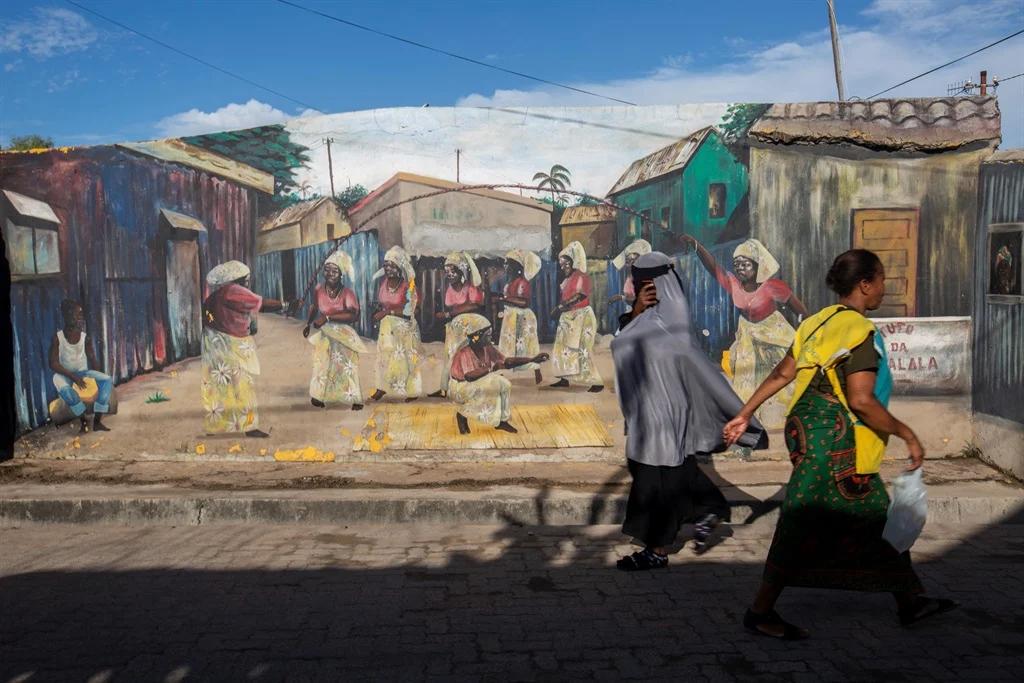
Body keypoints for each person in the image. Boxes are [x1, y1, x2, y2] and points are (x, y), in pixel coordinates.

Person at [723, 249, 956, 640]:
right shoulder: (859, 330)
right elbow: (861, 400)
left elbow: (783, 373)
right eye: (880, 279)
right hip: (834, 440)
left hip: (807, 430)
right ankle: (760, 611)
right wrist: (908, 434)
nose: (884, 287)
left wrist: (745, 412)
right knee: (800, 517)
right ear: (865, 284)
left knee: (878, 516)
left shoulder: (817, 321)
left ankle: (910, 601)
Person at [611, 252, 767, 569]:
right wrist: (637, 310)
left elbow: (623, 344)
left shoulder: (658, 326)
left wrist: (636, 312)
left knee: (655, 480)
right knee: (675, 470)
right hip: (656, 412)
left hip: (658, 415)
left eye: (641, 282)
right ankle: (708, 508)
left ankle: (657, 550)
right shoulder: (667, 321)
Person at [686, 237, 808, 430]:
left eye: (745, 264)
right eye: (737, 265)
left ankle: (789, 421)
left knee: (782, 378)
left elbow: (801, 312)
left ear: (758, 266)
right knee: (744, 380)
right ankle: (747, 424)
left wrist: (804, 335)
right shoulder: (733, 284)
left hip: (774, 335)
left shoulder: (773, 287)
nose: (740, 268)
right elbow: (713, 268)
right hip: (748, 338)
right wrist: (696, 246)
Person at [201, 260, 284, 437]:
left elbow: (208, 315)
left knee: (218, 384)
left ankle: (217, 425)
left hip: (213, 342)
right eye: (246, 279)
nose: (248, 282)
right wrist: (285, 305)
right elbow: (260, 303)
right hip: (231, 343)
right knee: (243, 383)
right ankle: (249, 426)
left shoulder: (214, 297)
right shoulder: (234, 292)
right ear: (238, 280)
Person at [448, 314, 549, 435]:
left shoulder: (487, 348)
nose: (491, 336)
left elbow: (506, 362)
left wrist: (532, 359)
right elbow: (470, 376)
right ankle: (462, 414)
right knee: (498, 382)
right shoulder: (464, 353)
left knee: (504, 384)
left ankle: (502, 420)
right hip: (459, 388)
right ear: (476, 337)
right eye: (488, 334)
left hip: (473, 383)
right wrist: (490, 369)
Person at [303, 251, 366, 410]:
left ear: (341, 274)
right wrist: (308, 323)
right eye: (327, 269)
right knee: (322, 364)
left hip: (343, 333)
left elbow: (354, 315)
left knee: (346, 365)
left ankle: (355, 398)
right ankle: (319, 396)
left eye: (335, 270)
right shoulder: (319, 288)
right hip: (325, 332)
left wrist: (329, 317)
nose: (330, 274)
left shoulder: (347, 293)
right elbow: (314, 306)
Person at [49, 299, 114, 433]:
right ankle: (83, 420)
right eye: (77, 314)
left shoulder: (85, 338)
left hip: (83, 373)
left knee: (106, 380)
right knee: (57, 380)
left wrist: (96, 382)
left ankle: (97, 422)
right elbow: (53, 363)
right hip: (66, 375)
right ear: (67, 315)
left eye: (81, 315)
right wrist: (73, 377)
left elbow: (93, 360)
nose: (80, 318)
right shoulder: (58, 338)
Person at [429, 252, 485, 398]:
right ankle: (445, 388)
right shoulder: (450, 289)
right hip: (454, 328)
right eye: (447, 272)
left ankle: (471, 386)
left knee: (467, 356)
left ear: (461, 272)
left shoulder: (471, 287)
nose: (449, 275)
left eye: (452, 271)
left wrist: (449, 314)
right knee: (449, 356)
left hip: (470, 327)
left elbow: (475, 305)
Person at [370, 246, 422, 402]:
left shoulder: (409, 286)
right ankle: (381, 388)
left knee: (408, 360)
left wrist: (387, 313)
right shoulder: (383, 284)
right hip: (387, 329)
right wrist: (379, 312)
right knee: (383, 358)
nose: (388, 268)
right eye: (386, 264)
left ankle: (412, 391)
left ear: (400, 267)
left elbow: (412, 311)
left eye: (392, 265)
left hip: (406, 329)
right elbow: (383, 305)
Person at [550, 241, 603, 392]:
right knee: (563, 348)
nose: (563, 267)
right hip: (568, 318)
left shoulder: (581, 276)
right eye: (561, 265)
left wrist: (560, 307)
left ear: (573, 262)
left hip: (581, 316)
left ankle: (596, 381)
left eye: (565, 264)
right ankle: (564, 378)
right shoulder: (568, 278)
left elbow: (579, 296)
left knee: (583, 349)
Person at [495, 249, 543, 385]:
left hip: (522, 317)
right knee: (508, 345)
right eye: (504, 263)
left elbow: (524, 302)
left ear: (516, 266)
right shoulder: (509, 282)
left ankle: (536, 370)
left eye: (508, 263)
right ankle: (503, 370)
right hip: (511, 316)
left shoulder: (522, 283)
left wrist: (504, 299)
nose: (505, 266)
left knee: (526, 345)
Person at [609, 238, 652, 309]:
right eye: (628, 261)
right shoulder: (631, 276)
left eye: (633, 260)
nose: (630, 264)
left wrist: (621, 298)